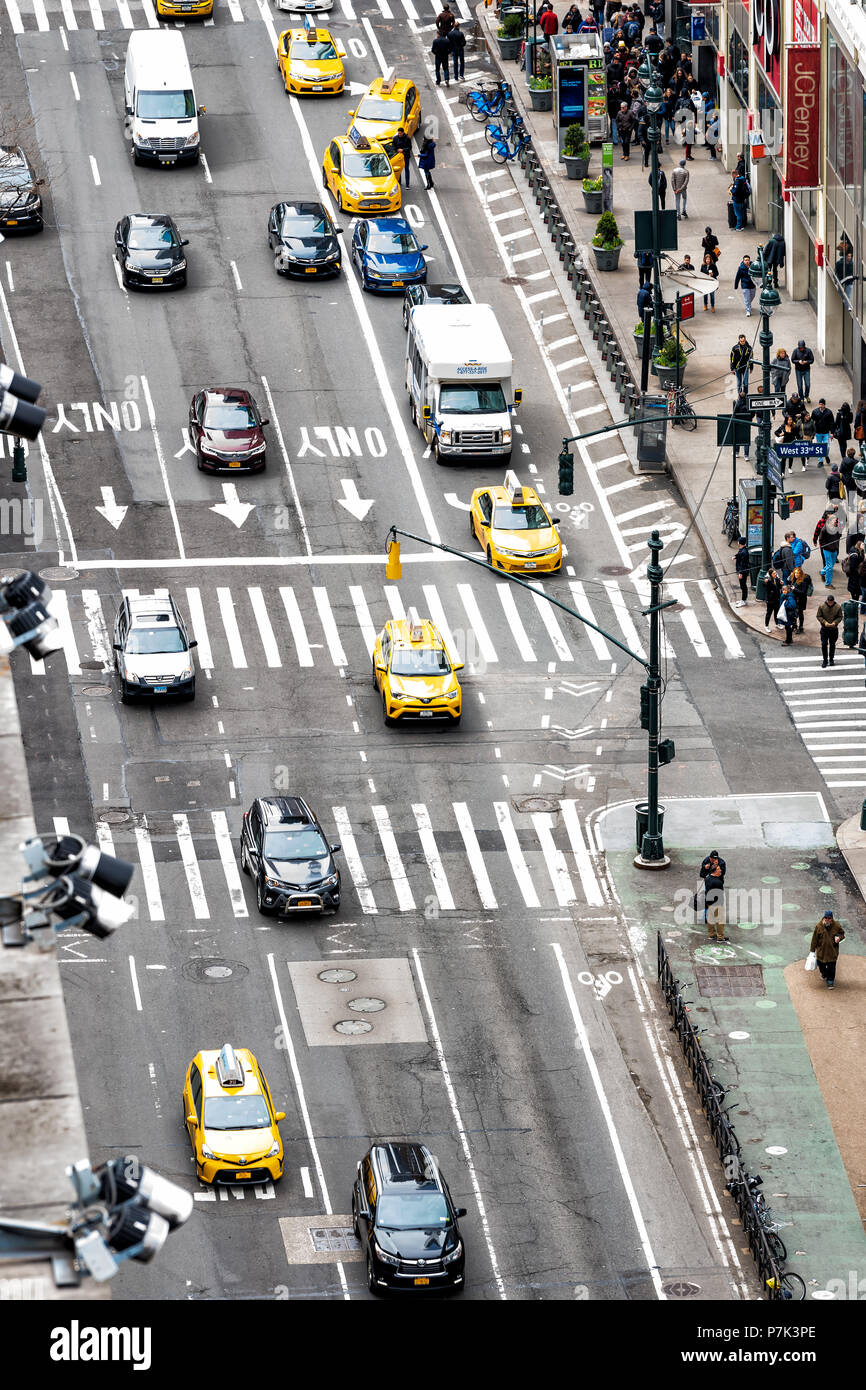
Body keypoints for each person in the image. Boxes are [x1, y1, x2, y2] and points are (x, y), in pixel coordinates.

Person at [810, 909, 845, 989]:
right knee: (821, 965)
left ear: (832, 918)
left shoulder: (837, 926)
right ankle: (824, 973)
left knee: (832, 967)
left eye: (829, 918)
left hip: (832, 952)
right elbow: (814, 939)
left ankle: (830, 981)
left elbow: (842, 934)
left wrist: (839, 938)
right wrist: (812, 950)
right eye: (826, 918)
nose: (827, 919)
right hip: (821, 952)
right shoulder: (819, 926)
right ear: (824, 917)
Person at [698, 851, 727, 937]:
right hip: (712, 883)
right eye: (713, 858)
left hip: (713, 881)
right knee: (715, 908)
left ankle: (710, 929)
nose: (714, 860)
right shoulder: (706, 861)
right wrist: (705, 868)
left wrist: (715, 869)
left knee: (710, 902)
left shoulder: (721, 862)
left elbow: (722, 873)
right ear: (710, 858)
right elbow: (701, 874)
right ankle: (720, 936)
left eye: (716, 858)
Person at [816, 505, 843, 587]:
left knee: (832, 563)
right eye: (834, 520)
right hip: (827, 549)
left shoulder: (836, 526)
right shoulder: (824, 529)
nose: (836, 521)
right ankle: (828, 584)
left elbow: (839, 534)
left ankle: (822, 572)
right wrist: (826, 546)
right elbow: (821, 539)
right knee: (830, 567)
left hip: (834, 549)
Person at [816, 593, 842, 665]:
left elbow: (840, 616)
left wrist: (835, 622)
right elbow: (819, 616)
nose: (830, 603)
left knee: (832, 644)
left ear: (833, 601)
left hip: (833, 629)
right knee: (824, 644)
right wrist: (824, 622)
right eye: (829, 602)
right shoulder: (822, 606)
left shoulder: (838, 607)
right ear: (827, 601)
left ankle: (831, 659)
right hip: (824, 629)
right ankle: (825, 659)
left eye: (831, 602)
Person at [810, 398, 834, 466]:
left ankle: (826, 454)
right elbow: (812, 422)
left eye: (822, 404)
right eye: (820, 404)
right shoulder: (815, 411)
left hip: (826, 432)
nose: (820, 405)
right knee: (819, 447)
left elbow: (832, 423)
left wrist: (832, 432)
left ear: (824, 405)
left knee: (827, 446)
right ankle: (820, 461)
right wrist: (812, 432)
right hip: (818, 432)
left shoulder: (829, 412)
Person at [790, 566, 810, 633]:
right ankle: (794, 625)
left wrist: (794, 589)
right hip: (795, 599)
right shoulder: (794, 579)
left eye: (798, 573)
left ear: (800, 574)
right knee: (794, 613)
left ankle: (801, 627)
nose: (796, 575)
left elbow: (803, 592)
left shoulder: (804, 581)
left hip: (801, 600)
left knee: (800, 613)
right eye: (795, 573)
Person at [763, 565, 782, 630]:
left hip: (776, 599)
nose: (775, 574)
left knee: (776, 612)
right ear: (771, 574)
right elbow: (764, 584)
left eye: (775, 573)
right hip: (770, 600)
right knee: (769, 613)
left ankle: (777, 624)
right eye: (774, 573)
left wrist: (781, 584)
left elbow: (779, 587)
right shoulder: (768, 580)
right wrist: (765, 581)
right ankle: (766, 626)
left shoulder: (777, 579)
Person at [734, 538, 750, 607]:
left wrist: (740, 573)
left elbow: (743, 564)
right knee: (742, 585)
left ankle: (744, 600)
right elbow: (739, 555)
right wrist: (735, 556)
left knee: (743, 586)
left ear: (740, 543)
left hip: (743, 572)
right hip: (742, 571)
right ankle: (743, 600)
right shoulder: (743, 550)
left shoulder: (744, 552)